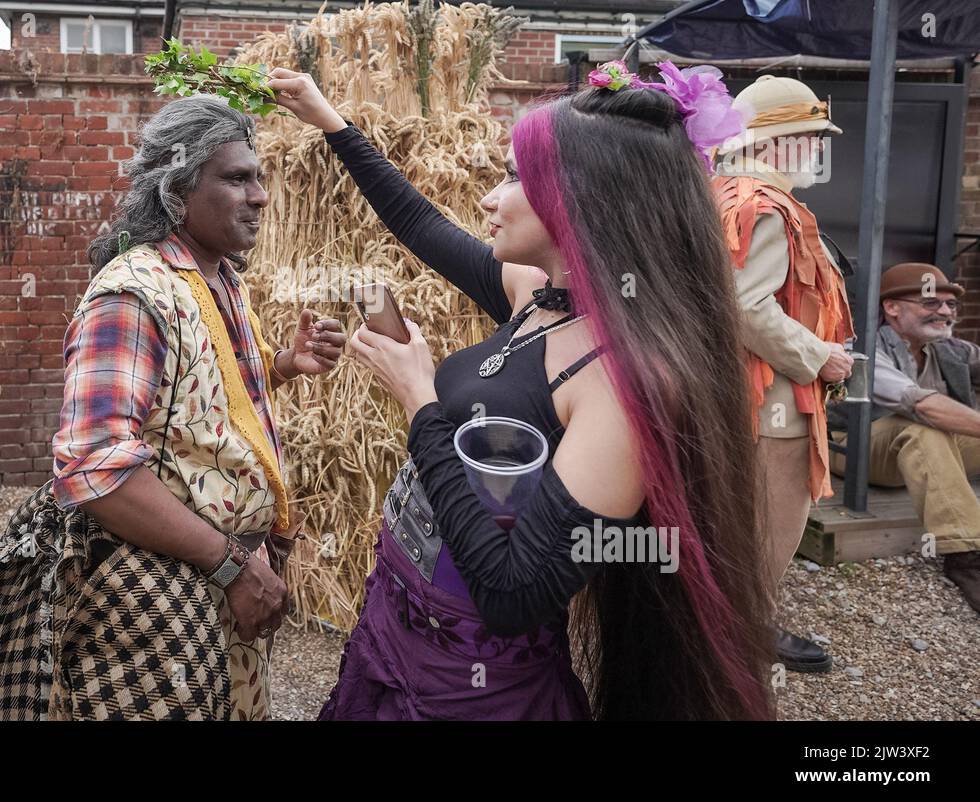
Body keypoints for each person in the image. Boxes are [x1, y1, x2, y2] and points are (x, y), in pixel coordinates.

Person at [268, 61, 775, 720]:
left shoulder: (627, 387)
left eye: (514, 177)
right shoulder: (534, 297)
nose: (488, 197)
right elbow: (420, 225)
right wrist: (328, 118)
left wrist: (421, 401)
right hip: (391, 634)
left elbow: (514, 594)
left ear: (582, 198)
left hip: (467, 692)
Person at [0, 95, 346, 720]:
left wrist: (283, 365)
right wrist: (230, 566)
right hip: (159, 600)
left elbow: (201, 400)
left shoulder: (218, 279)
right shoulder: (133, 296)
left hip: (217, 589)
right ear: (176, 189)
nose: (261, 196)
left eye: (260, 177)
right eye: (237, 178)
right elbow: (93, 467)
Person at [713, 74, 855, 674]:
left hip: (741, 397)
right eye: (811, 138)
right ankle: (740, 656)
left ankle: (735, 639)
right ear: (774, 144)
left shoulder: (721, 193)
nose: (819, 152)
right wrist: (820, 356)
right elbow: (746, 307)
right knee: (766, 537)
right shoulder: (765, 206)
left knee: (733, 531)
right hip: (772, 405)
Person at [829, 263, 980, 614]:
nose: (944, 311)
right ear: (892, 308)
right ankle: (966, 556)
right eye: (931, 303)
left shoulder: (952, 349)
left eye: (950, 305)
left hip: (926, 451)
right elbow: (921, 406)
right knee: (924, 426)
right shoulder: (863, 349)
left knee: (931, 432)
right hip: (858, 450)